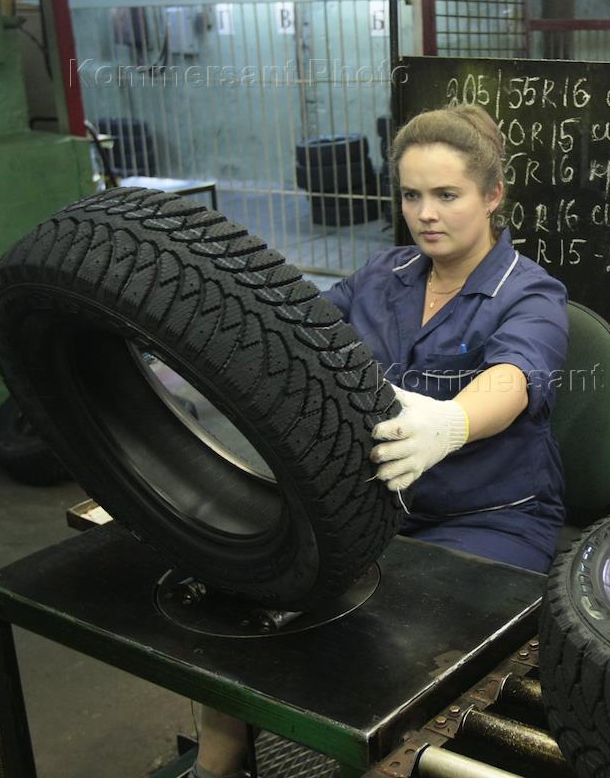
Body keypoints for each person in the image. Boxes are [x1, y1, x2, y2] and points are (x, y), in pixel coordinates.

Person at [189, 104, 568, 778]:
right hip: (376, 510)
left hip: (488, 520)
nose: (427, 213)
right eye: (413, 195)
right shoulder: (383, 275)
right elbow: (299, 331)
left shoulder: (529, 293)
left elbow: (516, 379)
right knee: (240, 601)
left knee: (387, 656)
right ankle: (218, 761)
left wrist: (450, 423)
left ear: (492, 195)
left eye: (447, 195)